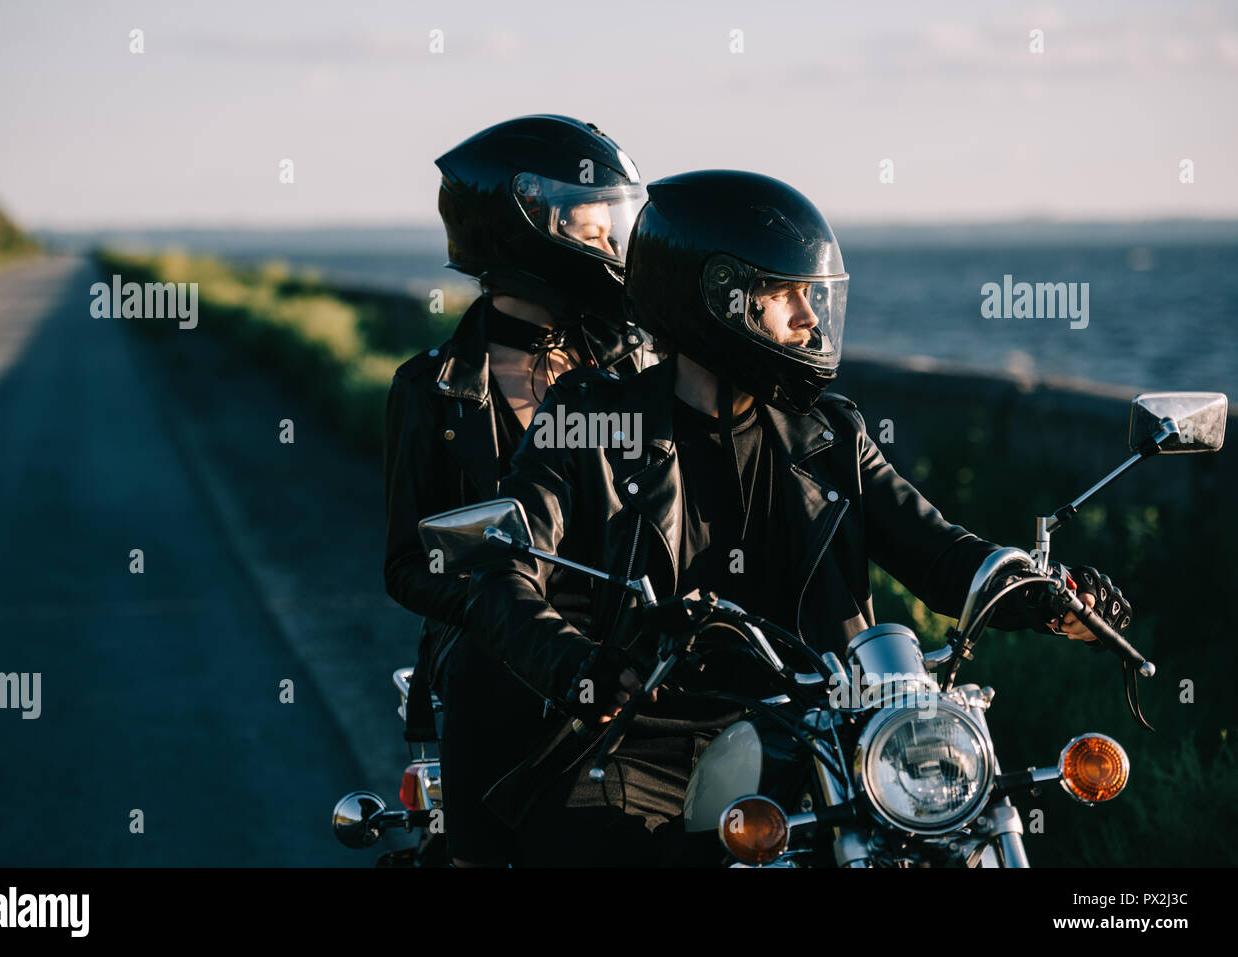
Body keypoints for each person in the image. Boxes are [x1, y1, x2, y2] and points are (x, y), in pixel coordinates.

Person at [463, 169, 1132, 867]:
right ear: (719, 298)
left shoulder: (830, 437)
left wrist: (1044, 595)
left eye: (813, 297)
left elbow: (939, 550)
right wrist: (580, 667)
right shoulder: (590, 421)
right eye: (787, 296)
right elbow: (503, 570)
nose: (810, 319)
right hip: (644, 737)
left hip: (817, 734)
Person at [382, 115, 653, 867]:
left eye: (614, 227)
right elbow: (405, 562)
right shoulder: (432, 389)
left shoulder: (636, 371)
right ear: (527, 227)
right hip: (494, 648)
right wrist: (500, 605)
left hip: (628, 630)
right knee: (483, 668)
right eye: (593, 229)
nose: (611, 245)